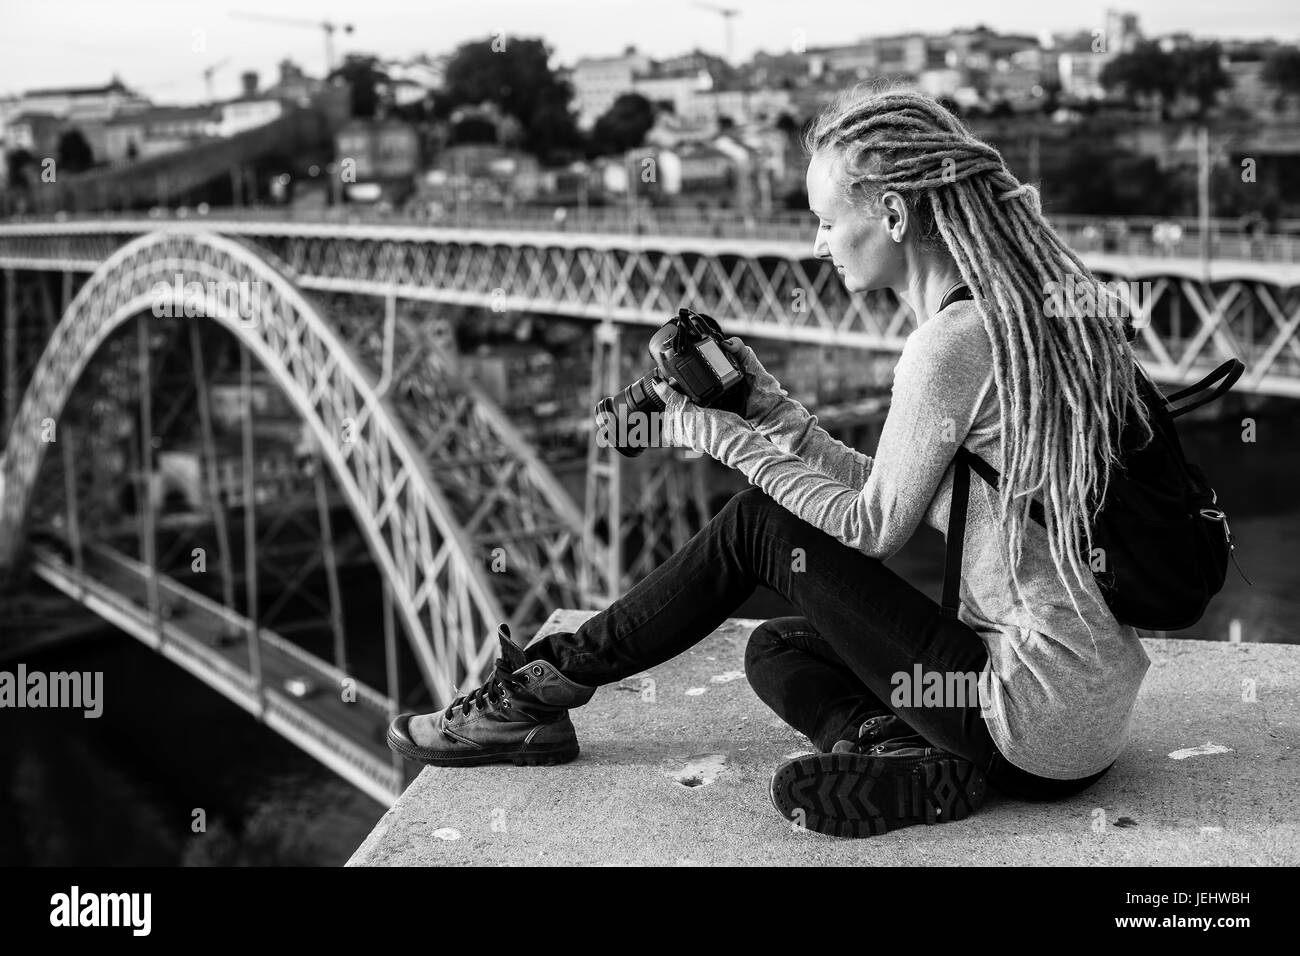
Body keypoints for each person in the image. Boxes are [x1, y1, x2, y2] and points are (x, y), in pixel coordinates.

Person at [387, 86, 1156, 839]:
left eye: (826, 221)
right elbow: (899, 496)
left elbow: (870, 528)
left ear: (892, 213)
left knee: (759, 524)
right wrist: (772, 412)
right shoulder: (1023, 319)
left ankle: (539, 691)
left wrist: (716, 436)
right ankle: (901, 752)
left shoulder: (948, 347)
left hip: (1017, 715)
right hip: (1082, 713)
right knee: (777, 648)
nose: (817, 244)